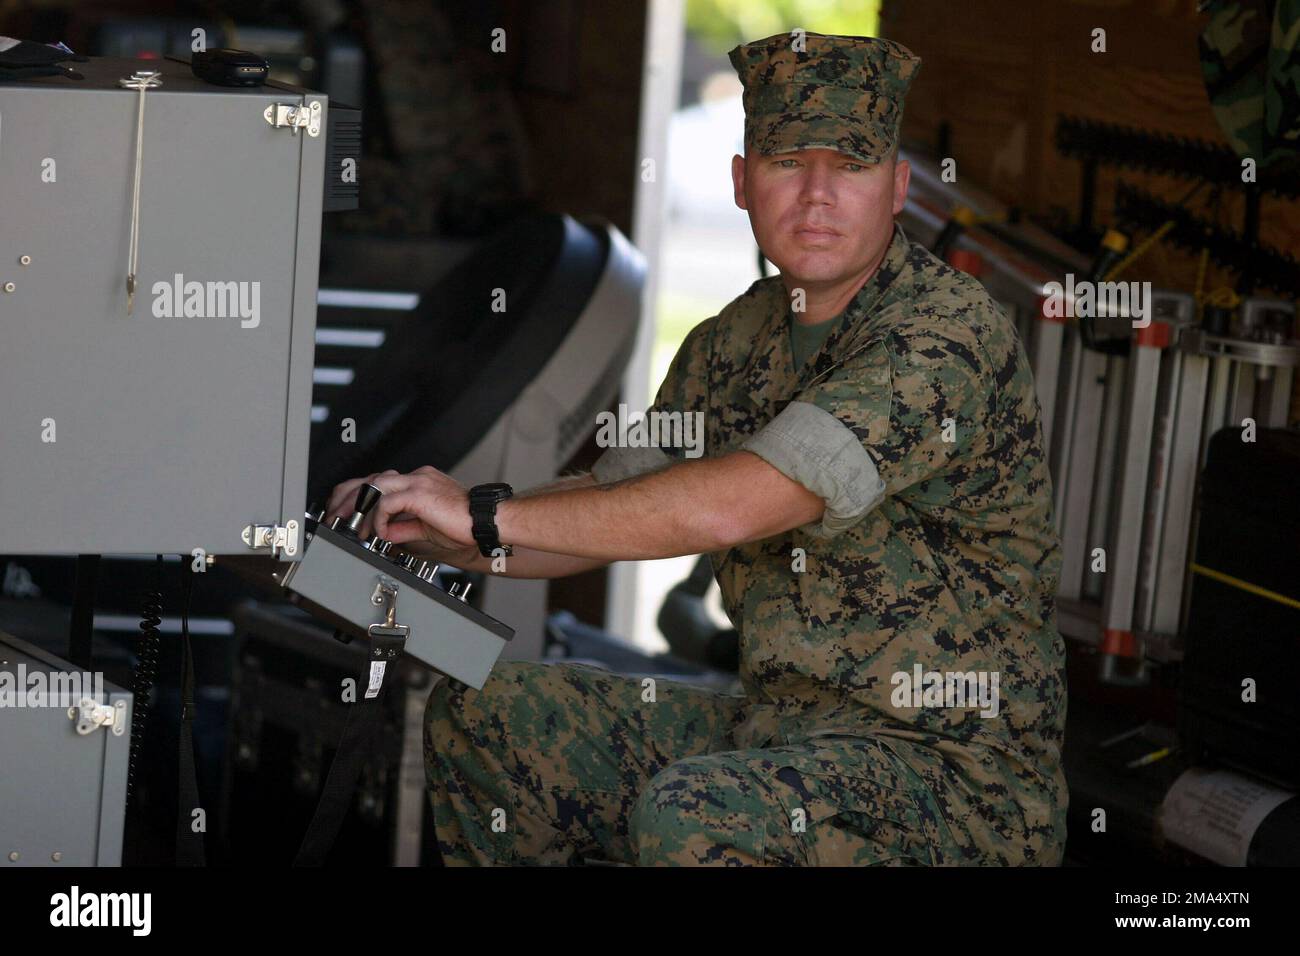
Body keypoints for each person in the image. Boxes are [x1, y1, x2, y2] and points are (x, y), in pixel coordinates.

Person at [326, 31, 1068, 866]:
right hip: (781, 734)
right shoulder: (733, 340)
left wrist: (485, 517)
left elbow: (730, 505)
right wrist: (439, 533)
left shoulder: (944, 335)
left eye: (852, 166)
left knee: (695, 815)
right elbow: (610, 505)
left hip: (950, 780)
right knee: (493, 719)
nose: (817, 195)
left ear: (898, 188)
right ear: (743, 181)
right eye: (788, 162)